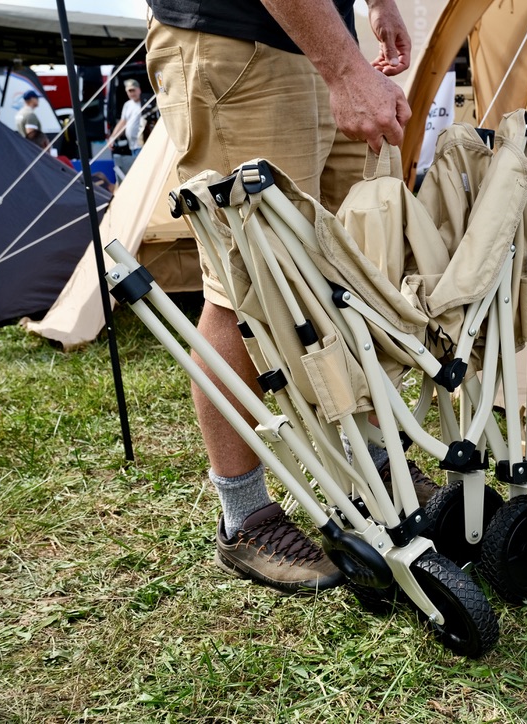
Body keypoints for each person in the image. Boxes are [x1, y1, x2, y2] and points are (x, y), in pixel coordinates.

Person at [145, 0, 436, 594]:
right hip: (235, 41)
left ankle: (372, 472)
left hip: (312, 40)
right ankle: (245, 516)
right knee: (243, 286)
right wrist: (346, 71)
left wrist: (374, 6)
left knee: (343, 277)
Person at [106, 79, 144, 178]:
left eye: (133, 90)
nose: (132, 93)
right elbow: (123, 122)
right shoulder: (127, 105)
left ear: (139, 90)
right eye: (129, 91)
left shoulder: (145, 102)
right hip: (132, 145)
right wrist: (112, 137)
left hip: (143, 143)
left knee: (142, 169)